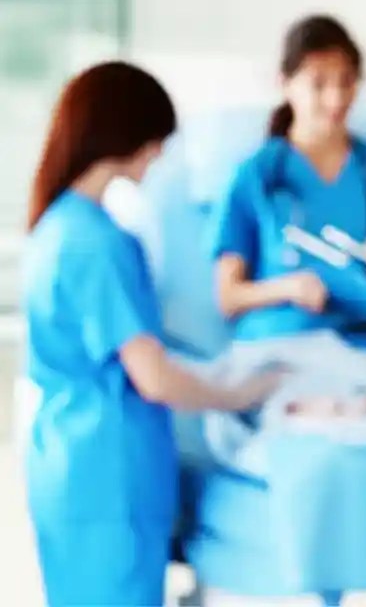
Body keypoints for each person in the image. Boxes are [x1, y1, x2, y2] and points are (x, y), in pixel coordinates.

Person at [22, 61, 281, 606]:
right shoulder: (97, 243)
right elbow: (154, 378)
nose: (161, 155)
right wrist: (239, 394)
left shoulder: (55, 226)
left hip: (66, 464)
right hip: (108, 475)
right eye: (158, 140)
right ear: (129, 136)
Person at [212, 14, 366, 356]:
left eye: (346, 82)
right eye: (318, 84)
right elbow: (228, 297)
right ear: (285, 83)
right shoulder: (257, 175)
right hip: (285, 343)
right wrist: (288, 288)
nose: (336, 99)